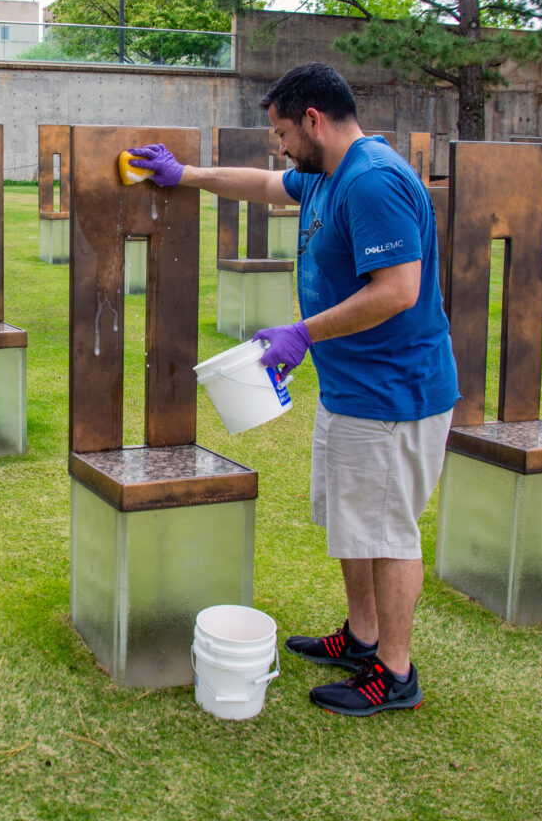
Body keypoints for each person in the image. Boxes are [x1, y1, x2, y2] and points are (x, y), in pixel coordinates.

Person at [130, 61, 458, 716]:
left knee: (389, 532)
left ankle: (395, 674)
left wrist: (303, 334)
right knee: (352, 521)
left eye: (281, 131)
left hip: (395, 395)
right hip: (353, 390)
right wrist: (186, 175)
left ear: (313, 119)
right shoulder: (328, 174)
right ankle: (362, 638)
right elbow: (262, 184)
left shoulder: (372, 182)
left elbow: (399, 290)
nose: (276, 145)